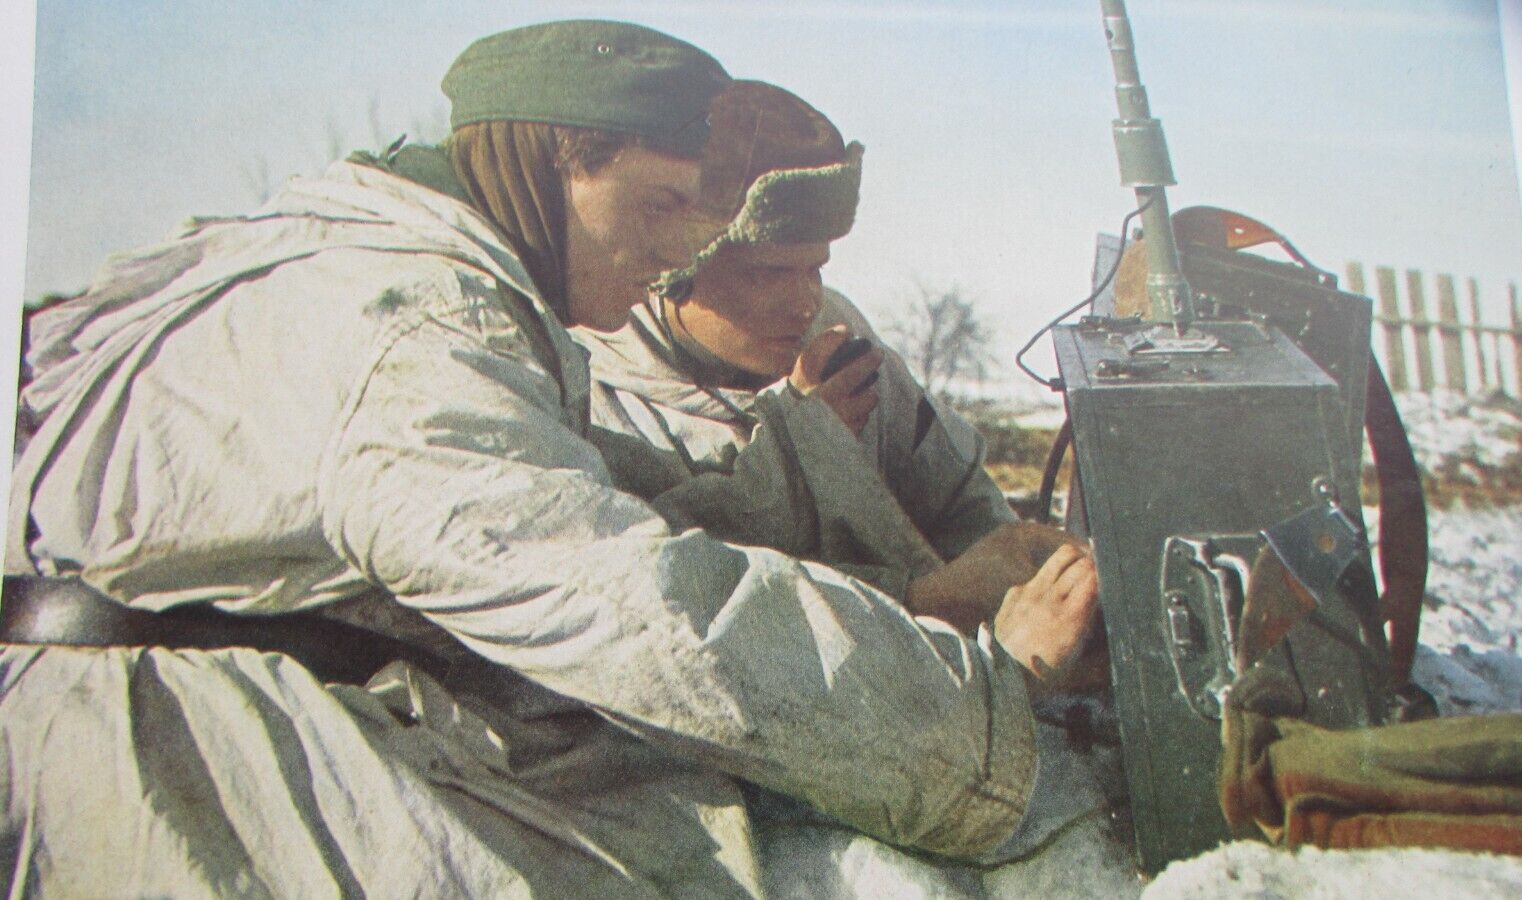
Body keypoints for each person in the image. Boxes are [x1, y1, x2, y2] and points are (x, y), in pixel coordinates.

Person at [1, 19, 1100, 897]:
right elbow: (634, 611)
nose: (680, 246)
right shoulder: (418, 322)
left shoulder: (343, 248)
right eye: (662, 204)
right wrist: (974, 705)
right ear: (555, 162)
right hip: (194, 759)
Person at [579, 80, 1075, 633]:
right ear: (676, 269)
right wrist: (799, 451)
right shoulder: (596, 402)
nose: (806, 300)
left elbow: (957, 496)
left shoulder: (838, 342)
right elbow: (707, 622)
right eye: (770, 273)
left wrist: (1036, 580)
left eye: (816, 268)